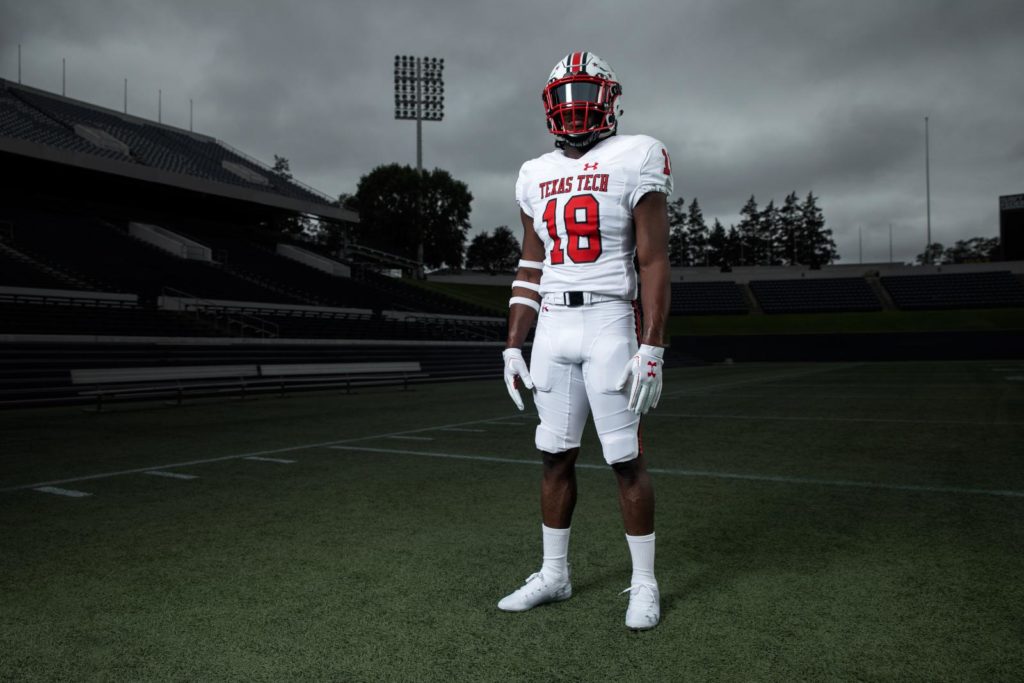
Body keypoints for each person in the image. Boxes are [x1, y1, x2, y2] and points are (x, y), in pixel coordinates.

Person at [498, 51, 673, 630]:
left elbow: (653, 260)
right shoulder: (533, 172)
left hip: (607, 324)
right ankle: (555, 574)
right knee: (553, 456)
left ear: (610, 99)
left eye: (585, 95)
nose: (574, 109)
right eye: (565, 97)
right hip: (552, 325)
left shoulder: (638, 153)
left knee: (625, 459)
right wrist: (512, 344)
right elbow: (531, 264)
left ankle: (644, 583)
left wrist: (652, 344)